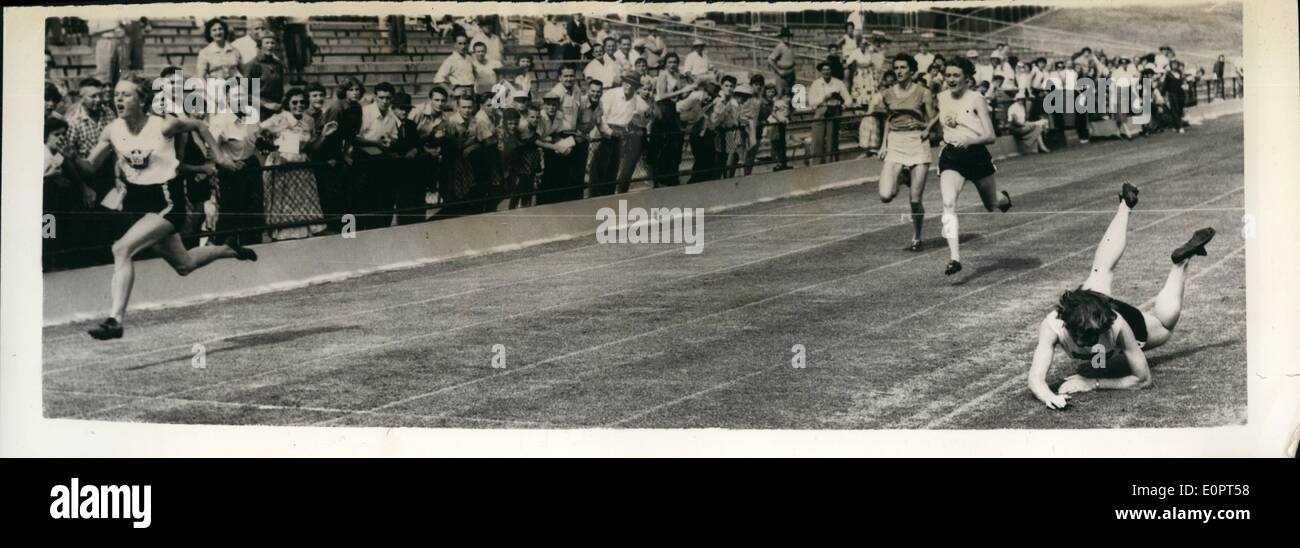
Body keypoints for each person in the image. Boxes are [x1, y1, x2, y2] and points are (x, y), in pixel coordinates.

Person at [76, 74, 254, 340]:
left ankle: (115, 321)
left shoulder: (163, 125)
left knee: (121, 248)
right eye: (116, 94)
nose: (118, 99)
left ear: (142, 99)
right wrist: (66, 155)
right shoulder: (112, 130)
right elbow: (90, 167)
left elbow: (199, 124)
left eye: (126, 94)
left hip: (167, 202)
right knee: (185, 264)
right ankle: (228, 249)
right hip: (138, 203)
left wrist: (220, 159)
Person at [1028, 183, 1216, 410]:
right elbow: (1036, 379)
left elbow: (1143, 379)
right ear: (1067, 323)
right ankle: (1126, 205)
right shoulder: (1053, 325)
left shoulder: (1116, 325)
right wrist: (1048, 395)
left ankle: (1179, 263)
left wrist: (1093, 382)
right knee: (1100, 270)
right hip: (1093, 304)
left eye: (1093, 337)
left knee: (1165, 327)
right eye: (1084, 338)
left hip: (1120, 318)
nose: (1087, 341)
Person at [934, 58, 1013, 276]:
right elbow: (941, 119)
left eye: (955, 76)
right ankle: (954, 258)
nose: (951, 79)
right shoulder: (941, 97)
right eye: (947, 75)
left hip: (977, 156)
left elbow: (990, 136)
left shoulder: (976, 99)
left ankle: (1003, 199)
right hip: (952, 158)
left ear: (967, 79)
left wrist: (968, 141)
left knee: (991, 204)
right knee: (948, 203)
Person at [876, 54, 934, 251]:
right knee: (885, 195)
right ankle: (902, 177)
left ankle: (917, 236)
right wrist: (883, 144)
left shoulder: (923, 93)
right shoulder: (887, 93)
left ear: (912, 71)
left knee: (915, 200)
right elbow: (888, 119)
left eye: (903, 68)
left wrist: (925, 126)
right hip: (895, 142)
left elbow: (933, 121)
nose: (899, 71)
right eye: (897, 68)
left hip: (917, 142)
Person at [259, 87, 332, 240]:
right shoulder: (279, 117)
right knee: (283, 200)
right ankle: (281, 232)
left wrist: (324, 135)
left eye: (302, 102)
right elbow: (258, 132)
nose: (299, 105)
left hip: (301, 165)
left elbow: (311, 147)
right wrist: (274, 135)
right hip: (282, 164)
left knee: (302, 200)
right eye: (295, 102)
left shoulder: (309, 120)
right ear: (288, 103)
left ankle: (305, 230)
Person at [652, 52, 694, 187]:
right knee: (665, 144)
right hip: (664, 110)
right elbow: (663, 95)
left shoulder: (677, 75)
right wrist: (681, 92)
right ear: (665, 63)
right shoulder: (663, 74)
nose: (672, 65)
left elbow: (680, 95)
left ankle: (672, 176)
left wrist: (689, 90)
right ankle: (662, 178)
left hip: (674, 110)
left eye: (675, 62)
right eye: (670, 62)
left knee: (676, 145)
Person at [808, 61, 849, 166]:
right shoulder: (815, 84)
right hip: (820, 111)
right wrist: (823, 98)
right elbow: (811, 102)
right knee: (817, 140)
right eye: (824, 70)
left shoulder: (838, 83)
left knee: (831, 141)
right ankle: (815, 165)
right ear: (821, 71)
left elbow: (848, 99)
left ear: (831, 71)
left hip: (833, 112)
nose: (826, 72)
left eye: (828, 69)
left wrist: (842, 106)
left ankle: (829, 165)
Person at [242, 30, 287, 121]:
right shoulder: (254, 65)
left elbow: (281, 88)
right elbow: (246, 94)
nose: (270, 46)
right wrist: (265, 104)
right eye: (266, 43)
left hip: (276, 108)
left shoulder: (278, 65)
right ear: (260, 45)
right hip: (258, 110)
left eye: (272, 43)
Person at [1007, 89, 1049, 154]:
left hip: (1022, 126)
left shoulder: (1022, 107)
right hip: (1015, 128)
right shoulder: (1012, 107)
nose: (1021, 100)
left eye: (1022, 99)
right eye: (1019, 99)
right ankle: (1042, 146)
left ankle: (1042, 146)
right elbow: (1015, 122)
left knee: (1038, 127)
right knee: (1037, 126)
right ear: (1016, 99)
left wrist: (1028, 124)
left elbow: (1023, 121)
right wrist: (1027, 125)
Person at [768, 27, 797, 97]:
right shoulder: (780, 46)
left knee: (791, 94)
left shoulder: (790, 46)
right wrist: (779, 70)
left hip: (790, 73)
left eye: (788, 36)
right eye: (784, 36)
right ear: (781, 37)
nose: (786, 38)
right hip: (782, 74)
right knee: (781, 94)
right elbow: (770, 60)